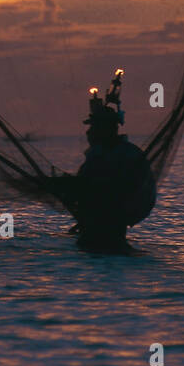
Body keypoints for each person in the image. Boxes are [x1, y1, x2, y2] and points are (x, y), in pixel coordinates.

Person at [50, 74, 155, 254]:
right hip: (107, 234)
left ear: (105, 129)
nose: (88, 133)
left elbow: (92, 186)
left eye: (93, 128)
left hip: (102, 240)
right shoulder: (122, 152)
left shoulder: (112, 156)